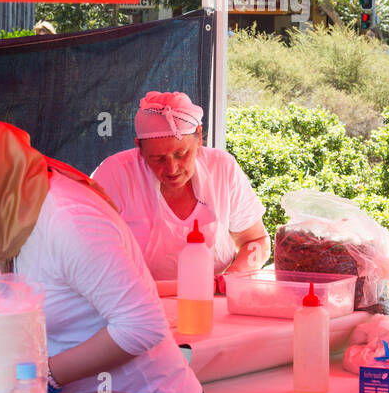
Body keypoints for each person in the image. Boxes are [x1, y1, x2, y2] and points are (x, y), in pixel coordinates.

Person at [0, 110, 204, 393]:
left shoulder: (69, 220)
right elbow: (17, 283)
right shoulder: (14, 203)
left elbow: (142, 326)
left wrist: (43, 376)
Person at [93, 91, 269, 295]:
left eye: (181, 154)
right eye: (157, 158)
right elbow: (90, 255)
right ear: (139, 148)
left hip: (212, 302)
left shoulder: (222, 168)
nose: (172, 169)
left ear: (199, 137)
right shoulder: (115, 174)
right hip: (137, 304)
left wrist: (233, 277)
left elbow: (256, 241)